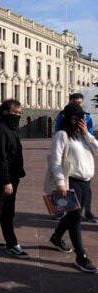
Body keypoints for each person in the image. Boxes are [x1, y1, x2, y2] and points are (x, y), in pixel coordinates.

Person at [46, 104, 98, 273]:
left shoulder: (83, 136)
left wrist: (87, 134)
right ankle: (81, 256)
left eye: (83, 118)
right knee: (75, 219)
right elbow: (55, 160)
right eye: (78, 118)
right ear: (70, 118)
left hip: (86, 182)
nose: (81, 121)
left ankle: (56, 237)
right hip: (71, 182)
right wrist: (61, 182)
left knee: (73, 216)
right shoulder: (62, 135)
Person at [0, 99, 27, 257]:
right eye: (15, 113)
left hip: (12, 175)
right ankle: (12, 243)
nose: (18, 116)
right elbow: (0, 158)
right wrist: (6, 181)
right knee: (7, 211)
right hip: (3, 177)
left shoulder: (11, 129)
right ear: (5, 112)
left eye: (20, 113)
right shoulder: (1, 129)